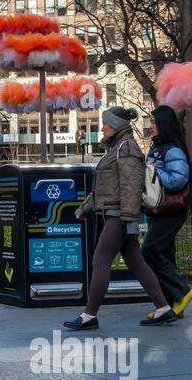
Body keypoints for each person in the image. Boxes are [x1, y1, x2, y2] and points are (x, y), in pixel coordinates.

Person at [66, 107, 175, 330]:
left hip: (119, 216)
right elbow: (103, 189)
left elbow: (131, 187)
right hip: (117, 213)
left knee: (100, 260)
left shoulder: (126, 149)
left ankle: (89, 315)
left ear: (115, 126)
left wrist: (128, 218)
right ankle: (163, 308)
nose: (102, 128)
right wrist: (84, 209)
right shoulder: (116, 149)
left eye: (104, 124)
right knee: (136, 262)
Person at [143, 105, 192, 318]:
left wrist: (153, 173)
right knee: (165, 252)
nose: (151, 126)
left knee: (150, 250)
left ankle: (183, 292)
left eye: (154, 122)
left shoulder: (172, 149)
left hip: (172, 208)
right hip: (159, 208)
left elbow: (178, 179)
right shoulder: (157, 147)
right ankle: (172, 305)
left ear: (164, 124)